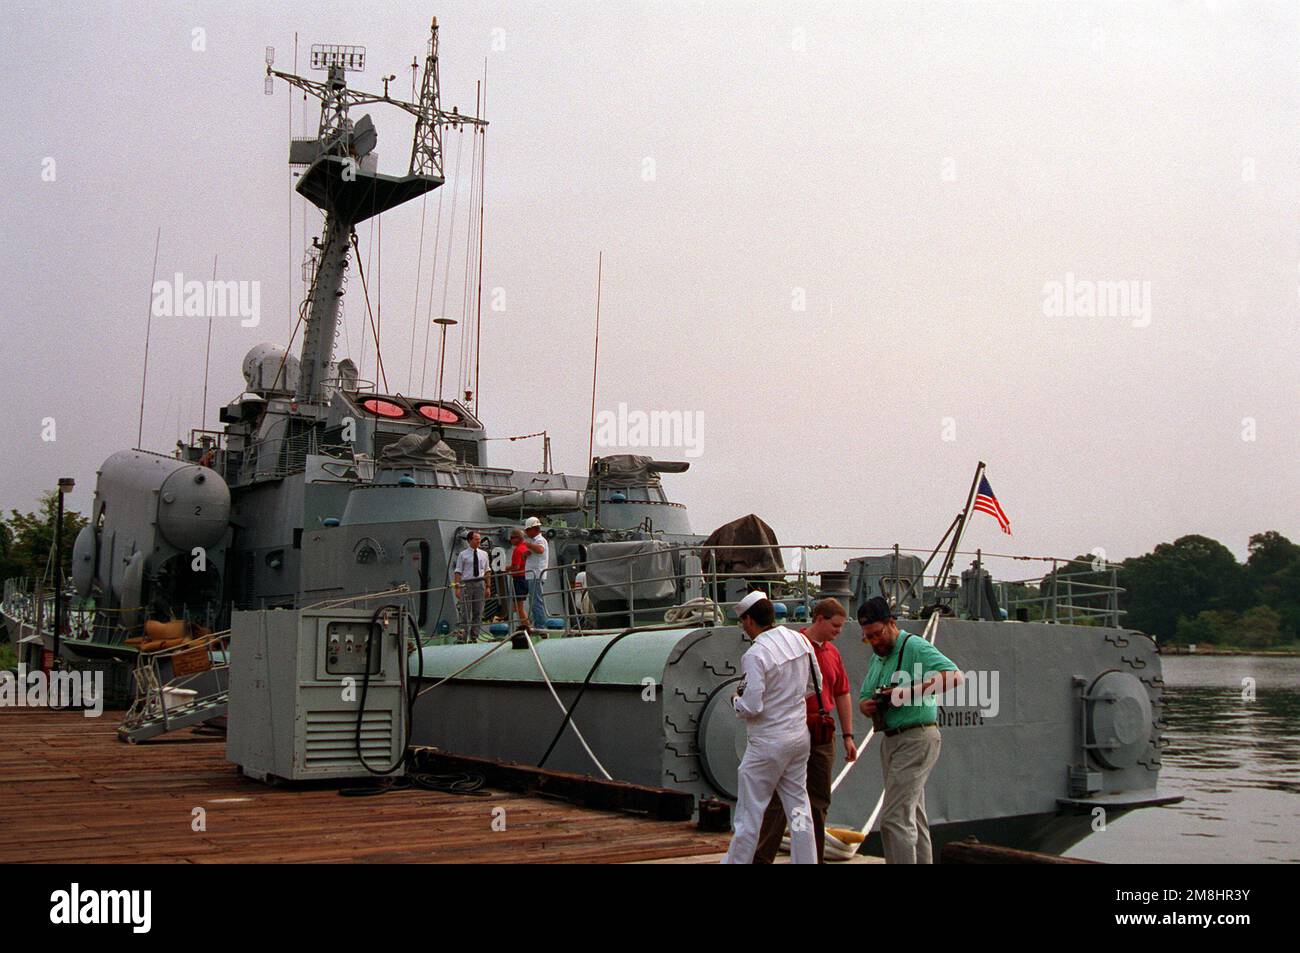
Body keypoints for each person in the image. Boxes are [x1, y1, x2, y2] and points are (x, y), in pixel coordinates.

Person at [857, 595, 963, 864]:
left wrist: (906, 693)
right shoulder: (878, 658)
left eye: (877, 634)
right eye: (868, 637)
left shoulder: (913, 646)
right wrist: (866, 705)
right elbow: (864, 696)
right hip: (891, 739)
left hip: (916, 736)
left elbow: (954, 676)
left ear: (892, 623)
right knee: (912, 813)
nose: (874, 641)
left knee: (894, 817)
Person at [754, 597, 857, 863]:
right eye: (835, 625)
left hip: (821, 733)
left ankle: (814, 858)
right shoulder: (795, 647)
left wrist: (848, 735)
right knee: (779, 800)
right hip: (794, 728)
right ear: (819, 619)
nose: (839, 631)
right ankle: (761, 858)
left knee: (817, 801)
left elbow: (842, 692)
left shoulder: (832, 652)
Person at [722, 591, 818, 865]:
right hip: (799, 738)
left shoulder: (756, 653)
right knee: (799, 807)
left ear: (750, 620)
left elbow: (752, 707)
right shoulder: (801, 640)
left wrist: (735, 701)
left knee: (750, 813)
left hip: (767, 744)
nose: (743, 627)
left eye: (742, 622)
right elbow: (815, 685)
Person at [452, 530, 491, 643]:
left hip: (480, 583)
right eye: (476, 539)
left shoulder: (484, 554)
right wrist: (457, 588)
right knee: (465, 612)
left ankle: (474, 637)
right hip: (467, 583)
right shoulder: (463, 554)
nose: (478, 541)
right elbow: (458, 571)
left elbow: (487, 570)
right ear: (469, 540)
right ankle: (462, 637)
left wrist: (488, 586)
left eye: (479, 539)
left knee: (478, 611)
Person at [522, 516, 550, 630]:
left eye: (528, 530)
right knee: (533, 602)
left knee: (536, 602)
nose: (526, 532)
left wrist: (526, 544)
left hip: (536, 575)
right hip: (532, 575)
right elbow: (533, 552)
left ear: (535, 529)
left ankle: (540, 626)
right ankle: (537, 624)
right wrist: (527, 553)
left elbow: (540, 549)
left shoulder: (540, 540)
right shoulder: (535, 541)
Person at [507, 528, 530, 634]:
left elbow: (515, 567)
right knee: (516, 606)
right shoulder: (526, 548)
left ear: (518, 538)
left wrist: (505, 568)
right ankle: (510, 620)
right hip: (526, 578)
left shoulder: (518, 550)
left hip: (519, 579)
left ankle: (526, 627)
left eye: (512, 538)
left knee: (519, 606)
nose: (510, 540)